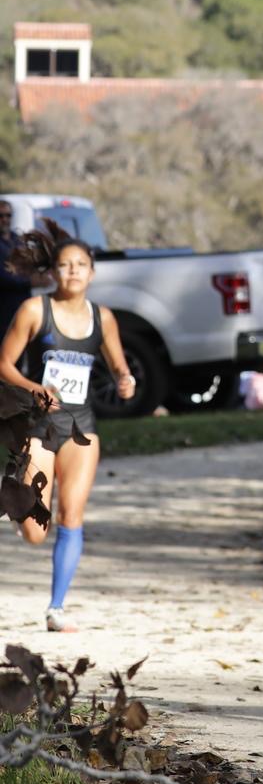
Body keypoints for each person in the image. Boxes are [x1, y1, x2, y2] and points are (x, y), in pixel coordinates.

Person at [0, 224, 136, 632]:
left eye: (81, 265)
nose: (73, 271)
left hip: (81, 427)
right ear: (51, 273)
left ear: (92, 272)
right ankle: (13, 491)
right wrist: (33, 387)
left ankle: (56, 609)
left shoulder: (103, 317)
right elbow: (3, 364)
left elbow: (118, 366)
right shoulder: (34, 311)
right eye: (65, 265)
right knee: (35, 533)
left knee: (72, 515)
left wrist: (127, 381)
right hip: (38, 425)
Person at [0, 201, 36, 335]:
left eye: (8, 215)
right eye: (1, 216)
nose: (5, 219)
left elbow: (31, 264)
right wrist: (29, 281)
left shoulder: (18, 240)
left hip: (23, 307)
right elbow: (3, 278)